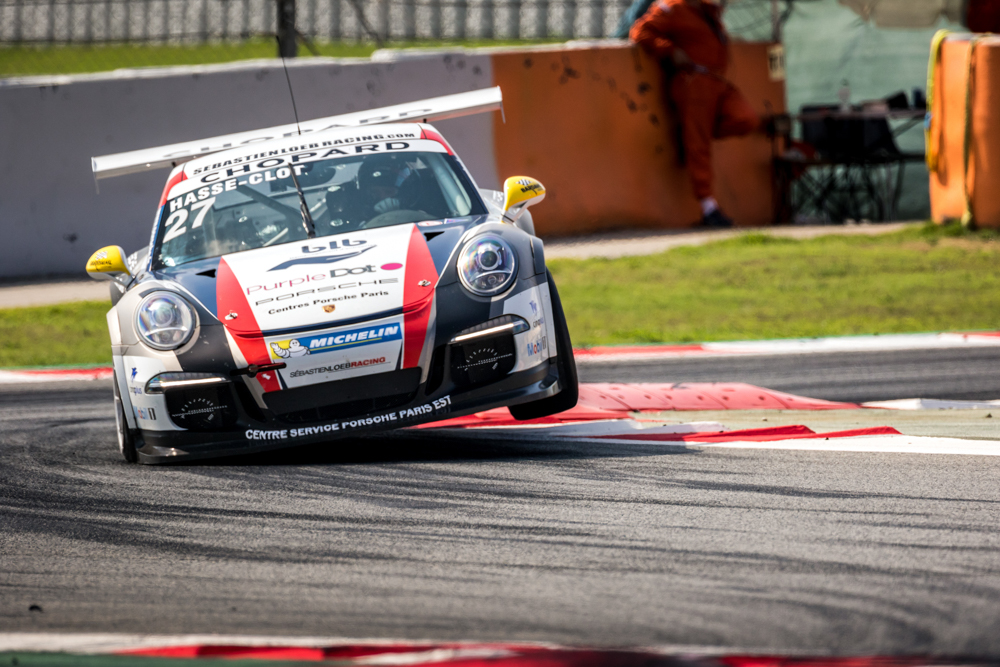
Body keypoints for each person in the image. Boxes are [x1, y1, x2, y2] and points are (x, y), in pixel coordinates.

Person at [630, 0, 761, 227]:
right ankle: (709, 208)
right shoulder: (673, 7)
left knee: (745, 119)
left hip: (717, 82)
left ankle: (691, 140)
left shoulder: (708, 11)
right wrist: (669, 50)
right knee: (698, 145)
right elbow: (641, 31)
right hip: (694, 82)